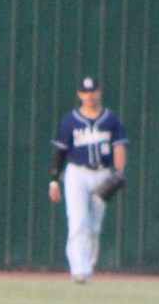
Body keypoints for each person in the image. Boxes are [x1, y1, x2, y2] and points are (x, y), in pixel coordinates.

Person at [48, 75, 129, 283]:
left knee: (94, 226)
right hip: (77, 173)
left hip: (102, 173)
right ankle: (78, 269)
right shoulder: (70, 121)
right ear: (79, 95)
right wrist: (54, 180)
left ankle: (87, 266)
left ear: (99, 92)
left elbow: (119, 146)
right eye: (85, 92)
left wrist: (119, 172)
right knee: (77, 221)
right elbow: (60, 152)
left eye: (93, 91)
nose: (90, 96)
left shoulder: (110, 119)